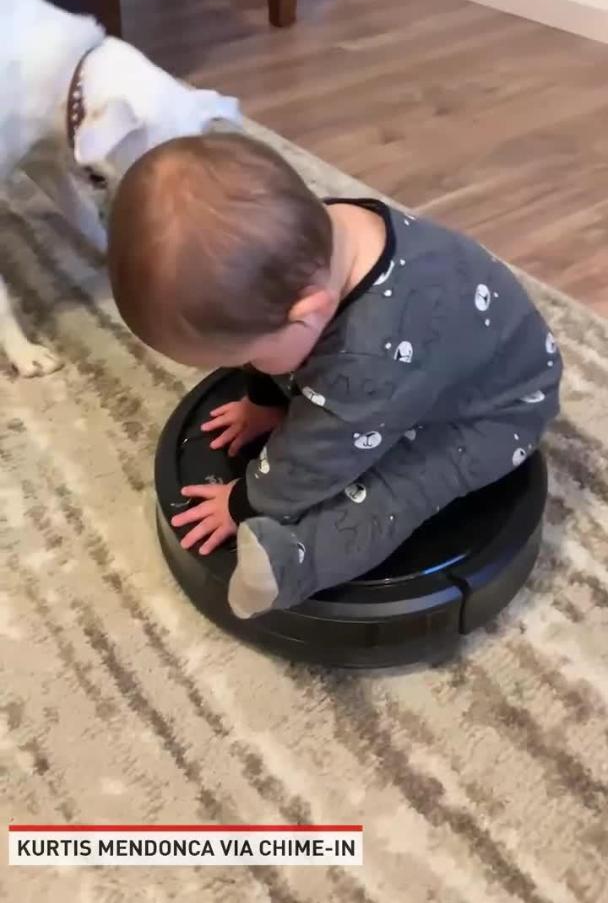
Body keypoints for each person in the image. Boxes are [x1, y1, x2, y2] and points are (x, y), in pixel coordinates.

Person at [108, 134, 562, 619]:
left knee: (400, 489)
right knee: (278, 349)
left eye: (249, 357)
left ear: (309, 313)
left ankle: (294, 565)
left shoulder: (365, 362)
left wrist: (243, 502)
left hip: (494, 411)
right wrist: (264, 398)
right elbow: (277, 341)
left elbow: (312, 463)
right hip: (429, 365)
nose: (244, 368)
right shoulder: (309, 234)